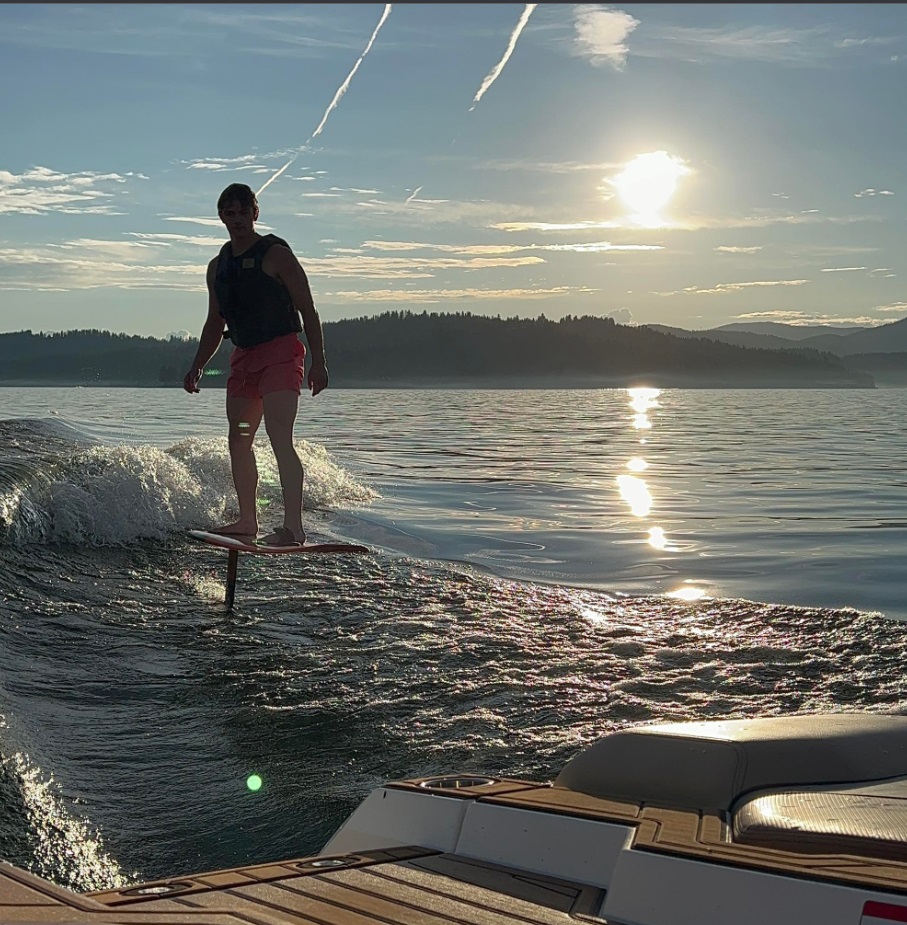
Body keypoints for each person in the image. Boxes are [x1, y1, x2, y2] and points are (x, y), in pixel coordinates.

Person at [182, 182, 328, 547]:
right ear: (221, 217)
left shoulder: (276, 254)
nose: (237, 220)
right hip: (245, 358)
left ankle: (293, 528)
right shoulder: (218, 267)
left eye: (243, 212)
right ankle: (248, 520)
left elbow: (308, 310)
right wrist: (197, 365)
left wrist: (319, 363)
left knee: (280, 438)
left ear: (255, 213)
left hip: (281, 352)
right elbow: (215, 322)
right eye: (229, 214)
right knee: (239, 441)